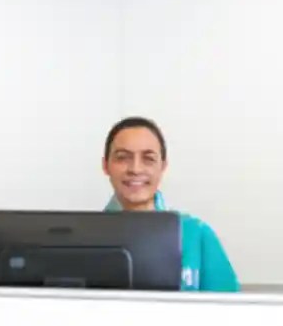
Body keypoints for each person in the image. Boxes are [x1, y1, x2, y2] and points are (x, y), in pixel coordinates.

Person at [102, 117, 240, 292]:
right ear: (105, 165)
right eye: (122, 158)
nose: (135, 169)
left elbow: (227, 306)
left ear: (163, 166)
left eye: (148, 159)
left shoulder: (197, 234)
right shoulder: (85, 238)